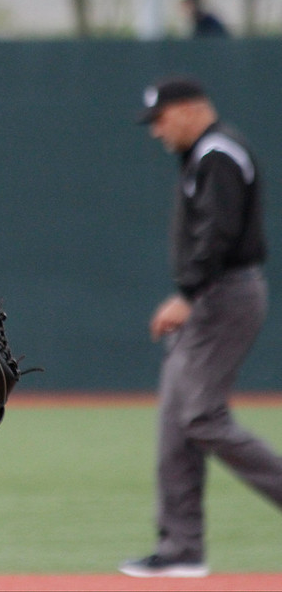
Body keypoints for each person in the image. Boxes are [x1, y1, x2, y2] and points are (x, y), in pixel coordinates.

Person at [119, 77, 282, 578]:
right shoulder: (207, 153)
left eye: (162, 118)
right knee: (177, 418)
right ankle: (182, 547)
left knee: (199, 415)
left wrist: (188, 295)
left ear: (191, 110)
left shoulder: (219, 153)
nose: (157, 131)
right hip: (214, 294)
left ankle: (184, 543)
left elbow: (220, 231)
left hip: (224, 294)